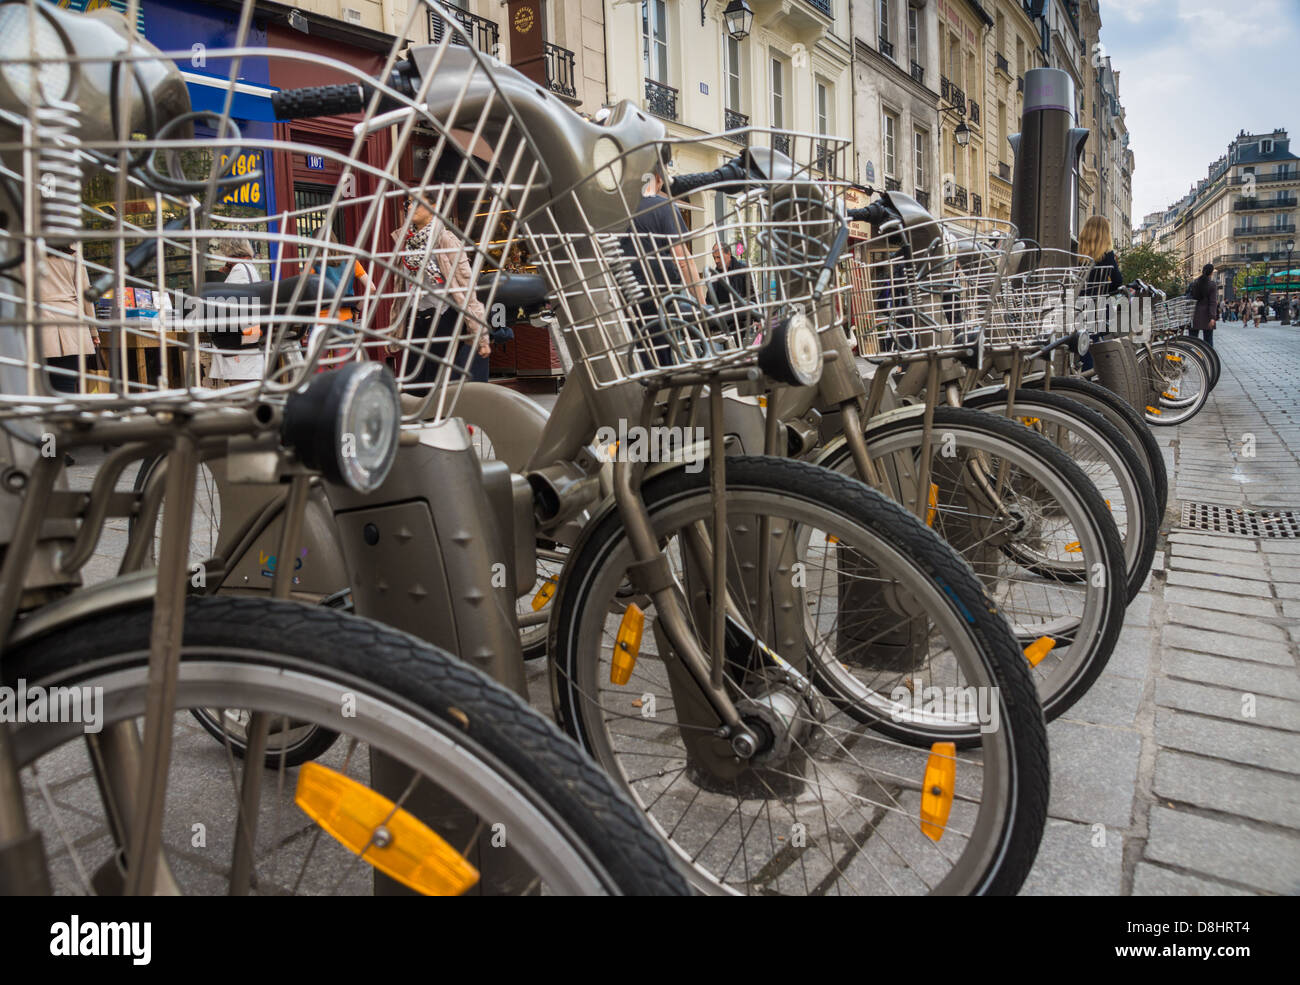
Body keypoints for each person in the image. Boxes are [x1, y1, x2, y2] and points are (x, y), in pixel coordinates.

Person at [621, 147, 707, 366]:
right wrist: (702, 305)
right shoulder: (664, 207)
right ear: (657, 178)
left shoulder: (617, 210)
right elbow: (684, 260)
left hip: (623, 300)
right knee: (663, 362)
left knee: (636, 359)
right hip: (659, 298)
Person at [394, 197, 490, 387]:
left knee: (436, 383)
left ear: (434, 207)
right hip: (415, 318)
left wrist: (481, 335)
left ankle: (437, 416)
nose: (411, 207)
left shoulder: (446, 240)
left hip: (442, 317)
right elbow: (401, 288)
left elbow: (466, 289)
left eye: (417, 203)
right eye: (408, 204)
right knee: (411, 381)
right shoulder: (406, 242)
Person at [35, 242, 100, 393]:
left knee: (32, 390)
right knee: (66, 388)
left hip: (34, 324)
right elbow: (85, 292)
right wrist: (93, 331)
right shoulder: (72, 247)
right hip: (71, 323)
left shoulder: (17, 244)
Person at [208, 239, 265, 384]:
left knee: (240, 387)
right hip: (249, 336)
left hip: (240, 342)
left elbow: (229, 303)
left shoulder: (240, 270)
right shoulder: (248, 268)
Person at [1077, 216, 1123, 370]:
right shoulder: (1108, 256)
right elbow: (1118, 281)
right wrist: (1104, 289)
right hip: (1099, 306)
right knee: (1095, 341)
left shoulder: (1077, 252)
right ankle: (1091, 379)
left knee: (1085, 342)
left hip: (1077, 304)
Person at [709, 240, 753, 339]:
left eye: (718, 257)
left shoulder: (742, 270)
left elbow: (751, 295)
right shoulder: (714, 274)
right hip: (722, 323)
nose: (716, 261)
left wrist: (756, 319)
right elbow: (709, 299)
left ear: (728, 254)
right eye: (714, 258)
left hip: (741, 322)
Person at [1188, 263, 1218, 347]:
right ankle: (1208, 359)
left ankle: (1182, 357)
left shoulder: (1194, 283)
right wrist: (1212, 317)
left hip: (1194, 315)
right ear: (1211, 273)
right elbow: (1212, 302)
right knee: (1208, 341)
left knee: (1191, 341)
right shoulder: (1212, 284)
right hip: (1207, 316)